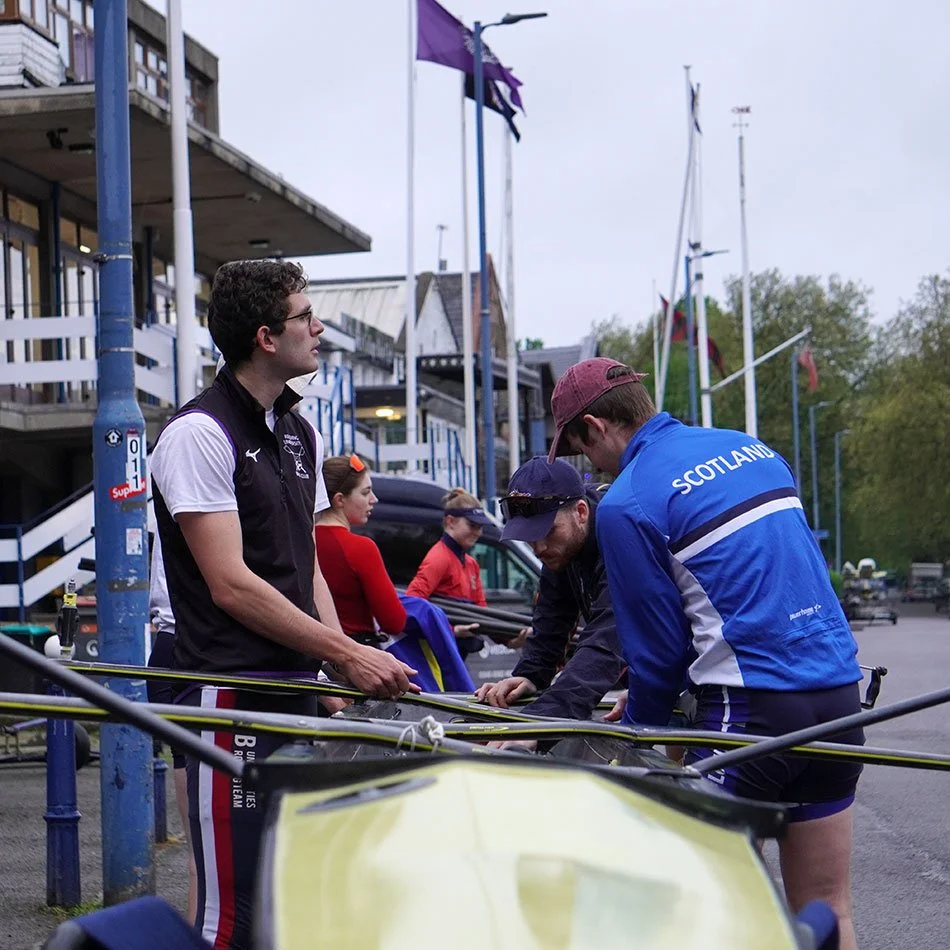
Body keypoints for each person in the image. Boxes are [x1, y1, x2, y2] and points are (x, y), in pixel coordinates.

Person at [547, 356, 864, 950]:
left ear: (595, 427)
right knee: (829, 911)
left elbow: (658, 654)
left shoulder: (627, 501)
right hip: (842, 701)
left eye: (581, 452)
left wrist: (640, 736)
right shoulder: (753, 448)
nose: (589, 468)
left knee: (698, 920)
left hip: (750, 716)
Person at [150, 260, 417, 950]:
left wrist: (335, 670)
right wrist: (349, 652)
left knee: (288, 894)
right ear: (267, 337)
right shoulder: (196, 435)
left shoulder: (302, 434)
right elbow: (230, 583)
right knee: (228, 911)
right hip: (229, 693)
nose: (319, 327)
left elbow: (309, 572)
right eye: (306, 316)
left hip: (295, 690)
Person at [473, 457, 626, 734]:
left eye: (548, 532)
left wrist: (541, 723)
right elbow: (552, 617)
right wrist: (529, 675)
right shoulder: (562, 546)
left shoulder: (621, 534)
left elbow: (608, 639)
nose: (539, 547)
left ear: (581, 512)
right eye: (529, 536)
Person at [315, 454, 407, 645]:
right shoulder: (361, 548)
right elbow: (394, 622)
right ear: (339, 500)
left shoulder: (301, 540)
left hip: (311, 653)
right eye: (365, 493)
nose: (374, 499)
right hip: (358, 654)